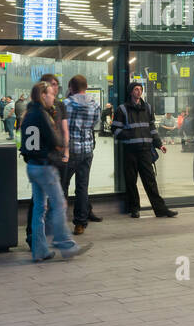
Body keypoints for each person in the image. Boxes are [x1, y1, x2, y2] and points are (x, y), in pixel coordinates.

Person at [19, 82, 90, 262]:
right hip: (45, 167)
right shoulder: (42, 115)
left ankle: (40, 250)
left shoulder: (28, 113)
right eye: (50, 93)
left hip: (32, 166)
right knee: (59, 205)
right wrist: (62, 143)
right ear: (43, 95)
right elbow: (54, 139)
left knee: (39, 209)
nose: (53, 97)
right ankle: (65, 244)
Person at [112, 81, 178, 218]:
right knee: (131, 181)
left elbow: (152, 129)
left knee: (150, 181)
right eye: (136, 89)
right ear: (131, 92)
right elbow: (115, 130)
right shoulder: (122, 109)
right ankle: (134, 209)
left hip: (145, 151)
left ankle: (160, 210)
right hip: (130, 151)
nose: (139, 92)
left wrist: (159, 144)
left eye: (140, 89)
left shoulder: (147, 107)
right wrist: (130, 134)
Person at [63, 75, 102, 235]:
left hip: (69, 151)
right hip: (87, 150)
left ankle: (59, 222)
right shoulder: (95, 105)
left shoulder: (65, 104)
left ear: (71, 87)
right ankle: (80, 223)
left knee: (62, 186)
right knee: (82, 187)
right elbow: (95, 124)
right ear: (86, 87)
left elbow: (60, 126)